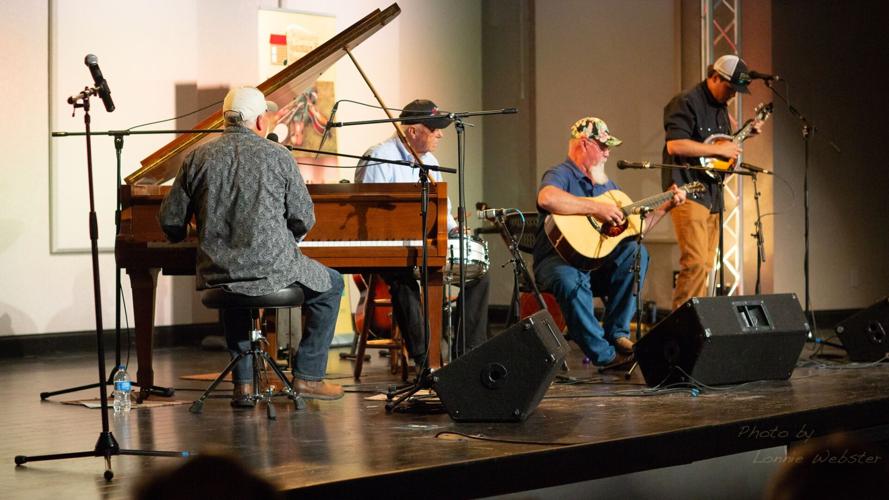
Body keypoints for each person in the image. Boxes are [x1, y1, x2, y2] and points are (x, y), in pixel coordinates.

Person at [158, 86, 344, 405]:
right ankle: (308, 377)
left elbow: (171, 222)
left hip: (219, 271)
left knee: (236, 288)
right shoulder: (279, 156)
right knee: (332, 285)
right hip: (272, 269)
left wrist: (196, 227)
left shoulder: (197, 158)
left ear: (224, 120)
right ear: (260, 122)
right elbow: (303, 218)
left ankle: (243, 385)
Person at [533, 117, 685, 368]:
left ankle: (617, 334)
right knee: (568, 278)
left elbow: (637, 227)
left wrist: (666, 206)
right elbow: (547, 198)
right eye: (603, 146)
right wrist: (595, 208)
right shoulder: (561, 174)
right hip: (557, 262)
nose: (608, 152)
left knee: (636, 251)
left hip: (596, 265)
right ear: (584, 143)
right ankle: (605, 356)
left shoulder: (609, 188)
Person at [354, 99, 490, 365]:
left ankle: (466, 356)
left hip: (427, 245)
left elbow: (444, 211)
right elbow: (369, 214)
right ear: (412, 131)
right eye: (434, 128)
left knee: (478, 273)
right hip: (390, 248)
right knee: (403, 280)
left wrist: (455, 230)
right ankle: (425, 362)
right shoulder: (379, 157)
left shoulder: (431, 161)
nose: (440, 134)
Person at [662, 54, 758, 309]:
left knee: (706, 264)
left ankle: (697, 322)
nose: (732, 95)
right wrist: (719, 151)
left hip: (712, 193)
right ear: (715, 77)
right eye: (730, 88)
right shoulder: (686, 101)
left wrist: (744, 134)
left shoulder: (721, 108)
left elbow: (722, 142)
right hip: (686, 188)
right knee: (694, 263)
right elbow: (675, 144)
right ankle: (680, 327)